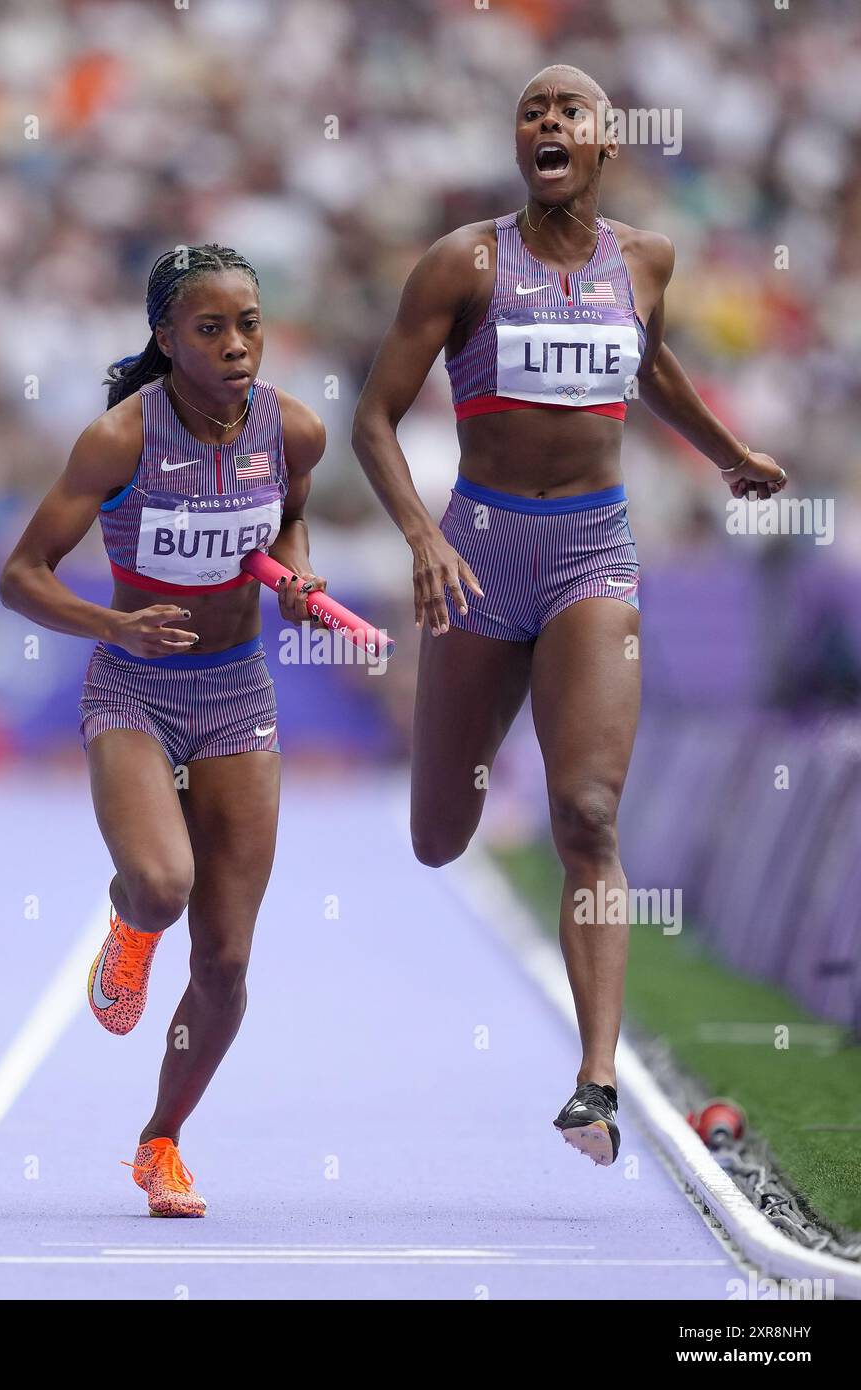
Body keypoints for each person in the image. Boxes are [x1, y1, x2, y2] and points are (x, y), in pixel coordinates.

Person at [351, 67, 787, 1167]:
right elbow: (371, 421)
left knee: (588, 812)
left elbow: (650, 363)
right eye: (531, 113)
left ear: (603, 146)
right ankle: (457, 775)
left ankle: (595, 1082)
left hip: (595, 551)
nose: (548, 123)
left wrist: (730, 455)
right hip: (481, 558)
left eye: (569, 113)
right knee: (439, 834)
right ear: (521, 148)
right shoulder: (465, 263)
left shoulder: (645, 260)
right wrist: (424, 536)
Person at [0, 244, 326, 1215]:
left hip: (237, 694)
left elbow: (288, 526)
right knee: (161, 881)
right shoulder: (117, 439)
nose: (236, 345)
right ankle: (130, 926)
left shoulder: (294, 430)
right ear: (167, 338)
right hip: (136, 687)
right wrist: (116, 623)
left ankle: (160, 1142)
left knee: (226, 960)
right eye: (211, 328)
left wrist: (294, 575)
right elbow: (21, 576)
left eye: (249, 324)